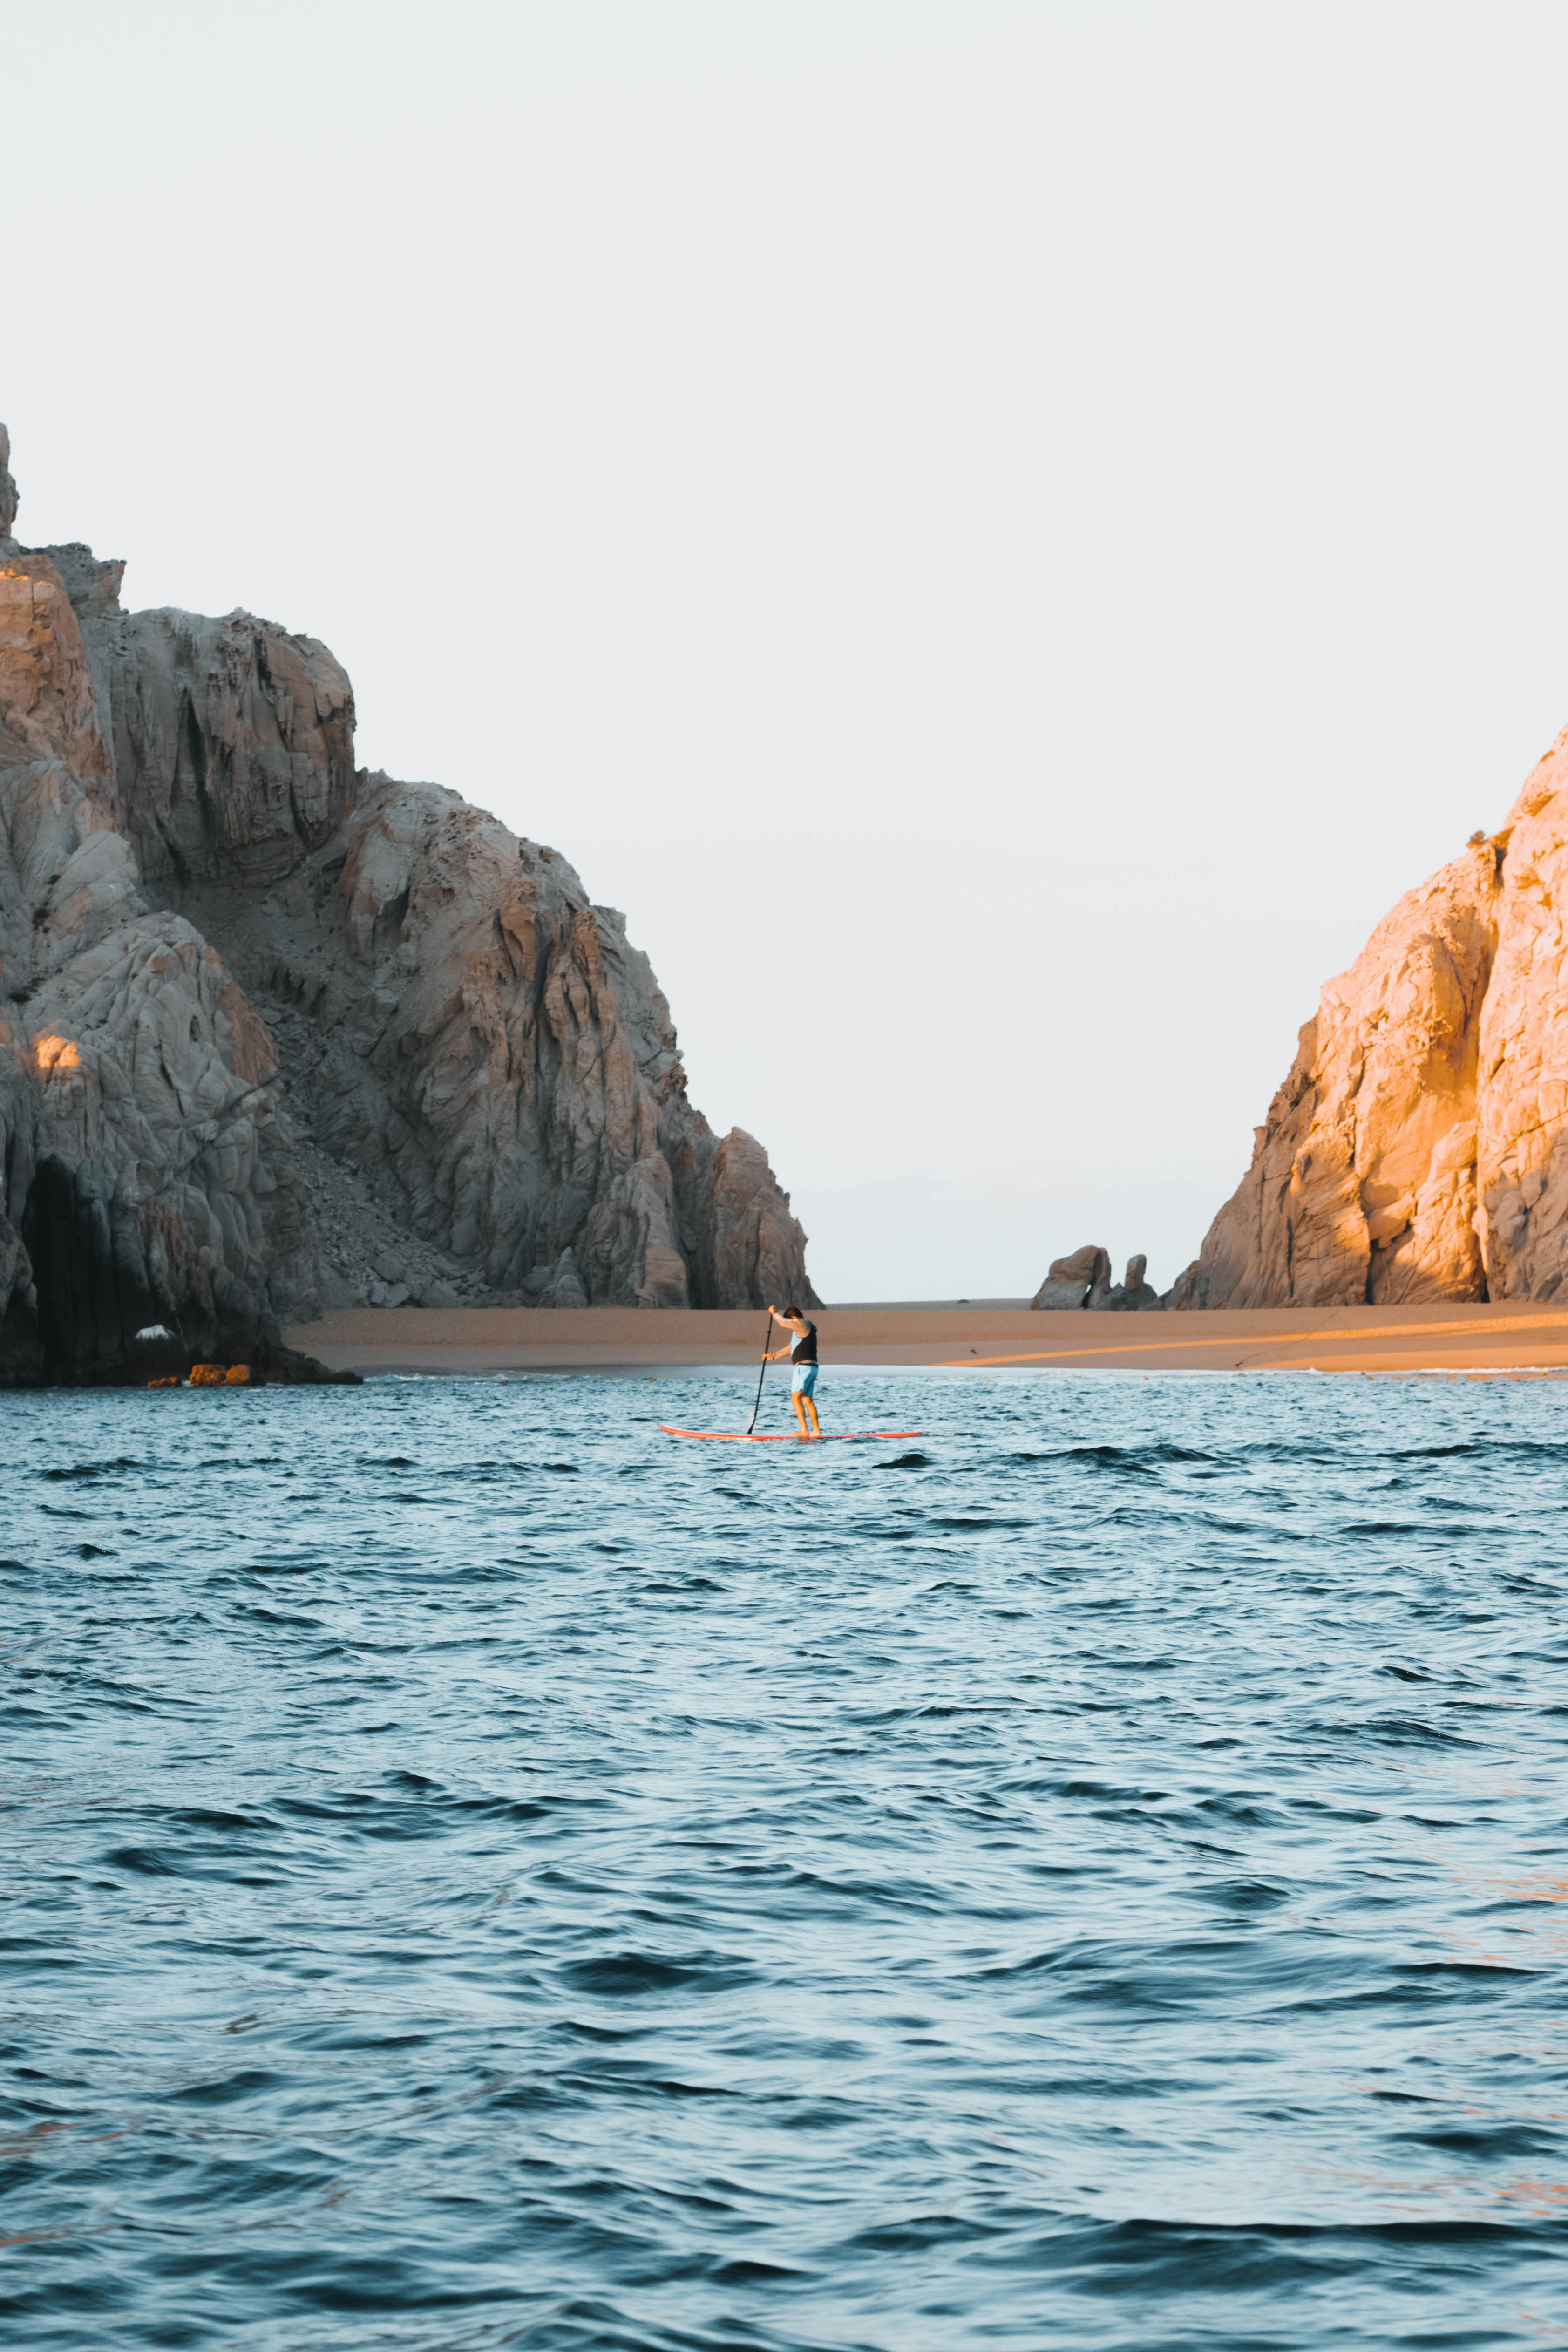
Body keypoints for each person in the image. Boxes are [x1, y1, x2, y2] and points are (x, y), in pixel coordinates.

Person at [767, 1302, 821, 1439]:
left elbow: (782, 1322)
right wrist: (772, 1356)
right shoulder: (802, 1331)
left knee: (795, 1398)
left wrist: (774, 1313)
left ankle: (804, 1430)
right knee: (807, 1400)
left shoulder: (801, 1324)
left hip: (803, 1368)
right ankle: (816, 1431)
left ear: (792, 1317)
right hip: (811, 1368)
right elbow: (792, 1348)